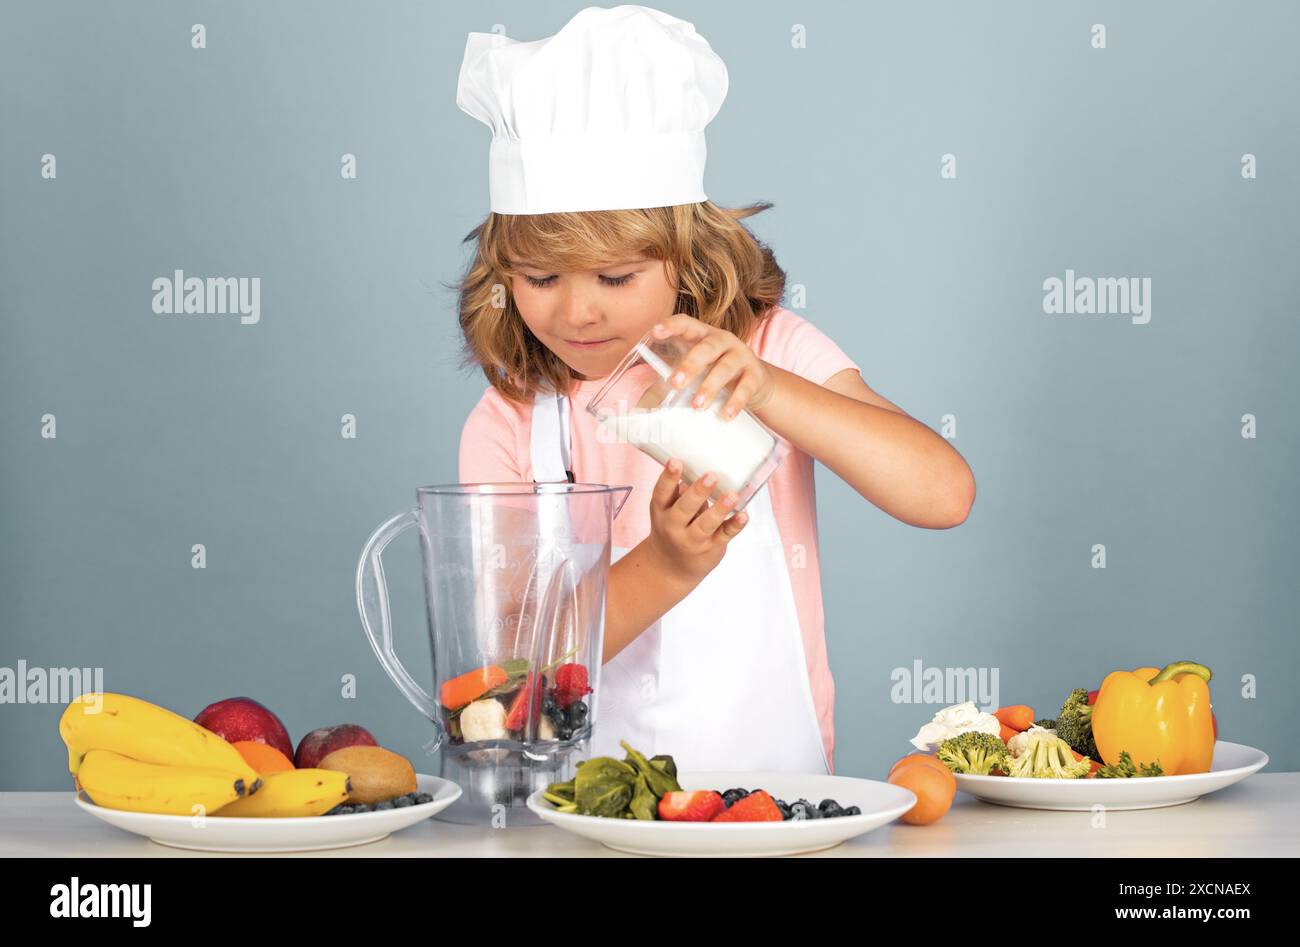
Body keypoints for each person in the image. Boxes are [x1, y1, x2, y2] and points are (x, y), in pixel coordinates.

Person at [454, 5, 974, 774]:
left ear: (687, 260)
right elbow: (511, 668)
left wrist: (768, 390)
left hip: (770, 809)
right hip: (573, 820)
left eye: (617, 276)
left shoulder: (768, 353)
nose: (577, 310)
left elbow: (942, 493)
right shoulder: (513, 419)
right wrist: (665, 565)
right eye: (539, 278)